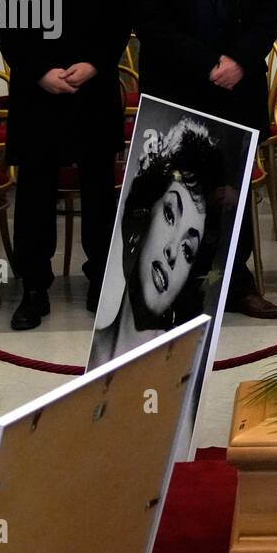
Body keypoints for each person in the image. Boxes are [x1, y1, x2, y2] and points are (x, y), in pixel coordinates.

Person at [129, 0, 277, 319]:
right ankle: (183, 293)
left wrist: (238, 59)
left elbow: (270, 5)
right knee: (181, 191)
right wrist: (207, 62)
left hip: (238, 87)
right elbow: (147, 18)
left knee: (232, 189)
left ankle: (238, 284)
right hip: (178, 86)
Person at [0, 0, 131, 330]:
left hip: (92, 81)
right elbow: (4, 14)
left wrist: (95, 63)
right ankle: (33, 286)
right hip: (37, 85)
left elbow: (121, 9)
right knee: (34, 191)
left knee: (98, 187)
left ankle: (100, 279)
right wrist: (36, 71)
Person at [89, 117, 224, 368]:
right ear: (141, 216)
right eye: (170, 215)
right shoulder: (93, 354)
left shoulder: (181, 376)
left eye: (188, 250)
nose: (172, 251)